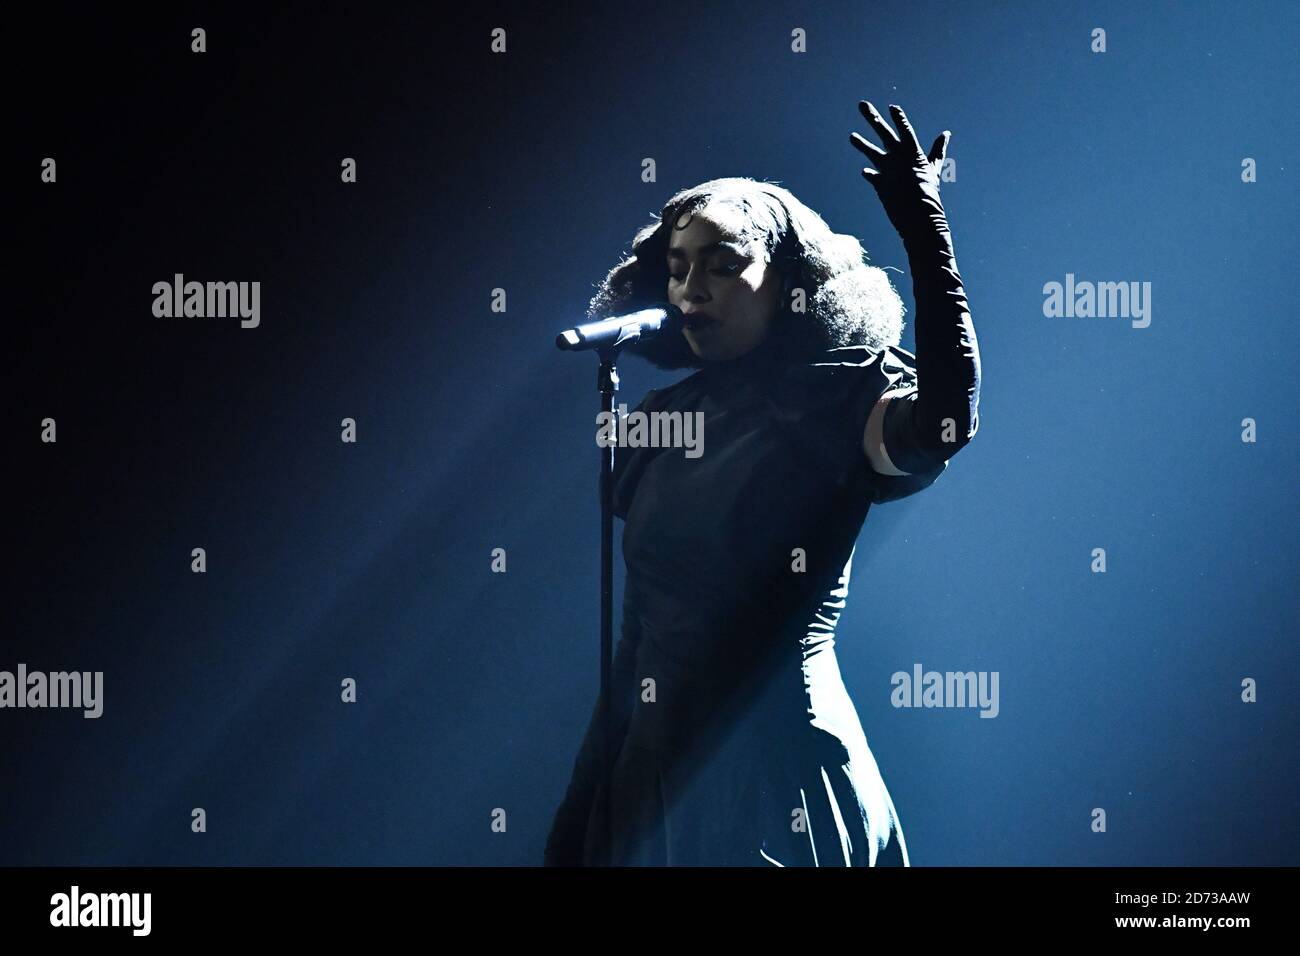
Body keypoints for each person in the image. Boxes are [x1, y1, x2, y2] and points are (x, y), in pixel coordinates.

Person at [545, 102, 981, 866]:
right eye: (678, 268)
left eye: (723, 265)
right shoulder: (662, 419)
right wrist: (584, 810)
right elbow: (636, 639)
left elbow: (945, 422)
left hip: (779, 776)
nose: (690, 290)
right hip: (655, 777)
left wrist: (926, 234)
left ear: (788, 283)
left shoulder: (840, 403)